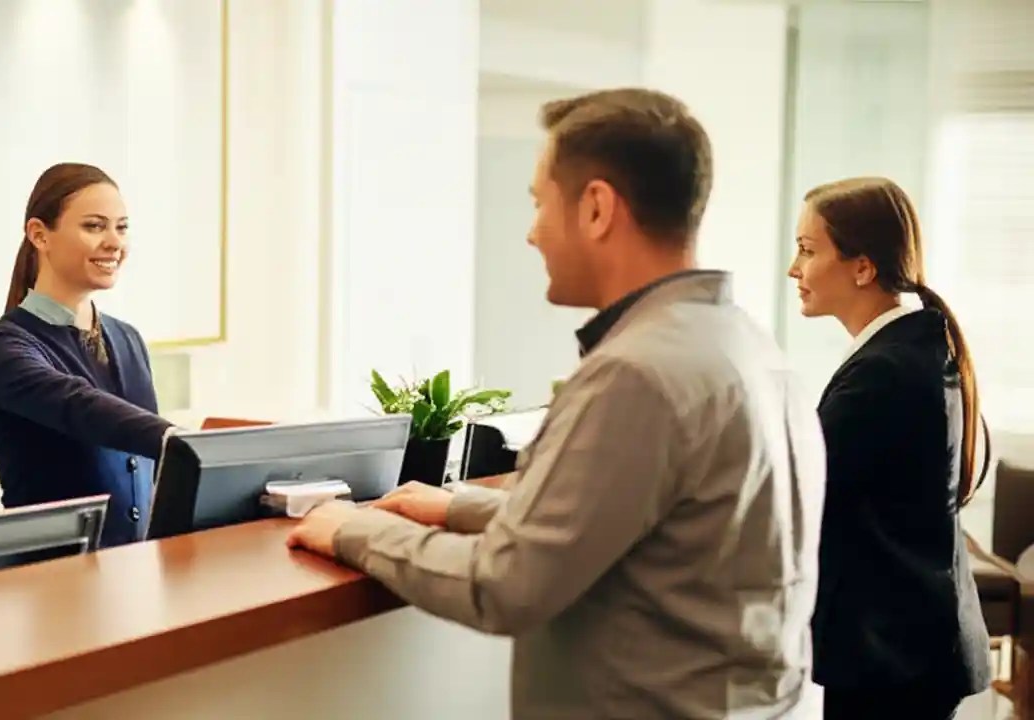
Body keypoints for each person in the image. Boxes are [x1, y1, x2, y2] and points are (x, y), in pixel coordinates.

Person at [288, 88, 828, 719]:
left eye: (539, 203)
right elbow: (649, 529)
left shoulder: (637, 373)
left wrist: (355, 527)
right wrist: (463, 507)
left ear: (596, 208)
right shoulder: (748, 345)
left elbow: (504, 585)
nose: (532, 233)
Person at [787, 176, 990, 719]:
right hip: (906, 649)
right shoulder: (907, 350)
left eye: (807, 250)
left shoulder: (886, 371)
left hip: (894, 655)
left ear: (863, 266)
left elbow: (804, 489)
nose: (793, 269)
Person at [0, 162, 176, 548]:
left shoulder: (128, 338)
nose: (114, 242)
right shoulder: (3, 348)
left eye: (122, 227)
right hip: (53, 580)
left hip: (134, 572)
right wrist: (181, 442)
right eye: (95, 226)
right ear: (39, 235)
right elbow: (80, 407)